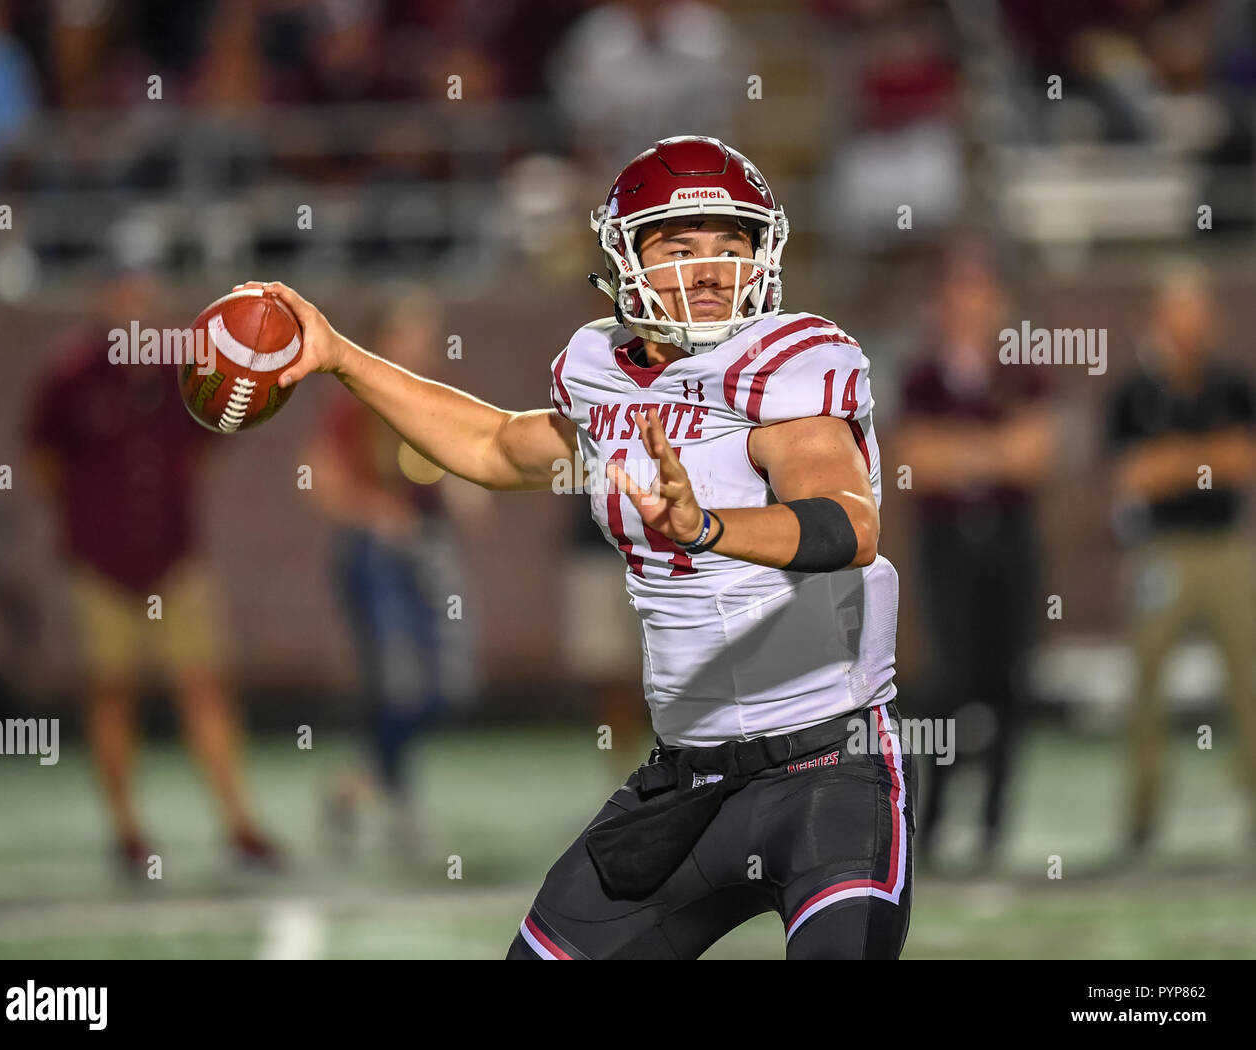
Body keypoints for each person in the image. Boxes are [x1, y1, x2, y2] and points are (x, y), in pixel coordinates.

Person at [236, 136, 913, 960]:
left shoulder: (789, 365)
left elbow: (849, 524)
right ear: (626, 258)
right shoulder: (601, 372)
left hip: (826, 774)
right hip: (685, 781)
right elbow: (492, 444)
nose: (712, 270)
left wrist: (708, 528)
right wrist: (341, 358)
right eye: (680, 246)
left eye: (731, 245)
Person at [26, 264, 282, 876]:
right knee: (113, 691)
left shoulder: (182, 368)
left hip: (175, 557)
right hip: (102, 562)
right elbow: (41, 461)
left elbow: (208, 449)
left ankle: (239, 824)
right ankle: (128, 832)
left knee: (203, 685)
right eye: (120, 288)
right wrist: (94, 515)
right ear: (101, 295)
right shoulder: (70, 373)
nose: (131, 301)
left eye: (139, 288)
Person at [894, 251, 1056, 870]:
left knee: (1008, 679)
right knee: (949, 682)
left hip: (1010, 538)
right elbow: (915, 459)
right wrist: (992, 450)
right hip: (948, 544)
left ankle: (992, 823)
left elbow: (1032, 456)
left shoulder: (1022, 371)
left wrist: (958, 452)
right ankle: (932, 820)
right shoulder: (921, 377)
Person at [307, 291, 482, 859]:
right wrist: (376, 512)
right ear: (382, 341)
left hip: (428, 554)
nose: (423, 348)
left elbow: (457, 462)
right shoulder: (357, 405)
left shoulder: (430, 401)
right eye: (410, 336)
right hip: (376, 556)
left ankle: (359, 783)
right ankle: (398, 801)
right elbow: (316, 477)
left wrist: (465, 489)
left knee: (449, 682)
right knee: (398, 683)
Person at [1108, 265, 1256, 855]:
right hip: (1160, 553)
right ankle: (1142, 817)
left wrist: (1179, 460)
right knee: (1146, 689)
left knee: (1248, 680)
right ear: (1160, 321)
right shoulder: (1136, 393)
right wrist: (1207, 457)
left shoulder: (1234, 384)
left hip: (1225, 549)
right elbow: (1136, 477)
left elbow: (1244, 459)